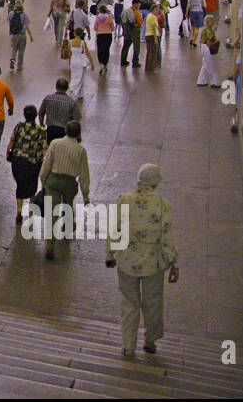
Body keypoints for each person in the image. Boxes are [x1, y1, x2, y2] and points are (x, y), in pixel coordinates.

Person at [107, 164, 178, 357]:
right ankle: (150, 341)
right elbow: (166, 237)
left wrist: (110, 255)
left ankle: (128, 346)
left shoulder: (123, 200)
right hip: (152, 264)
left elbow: (114, 231)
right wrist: (173, 263)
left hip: (126, 261)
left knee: (129, 303)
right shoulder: (162, 204)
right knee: (153, 302)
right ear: (155, 183)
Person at [37, 119, 90, 261]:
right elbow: (84, 174)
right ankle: (69, 226)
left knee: (51, 214)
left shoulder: (55, 143)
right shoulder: (81, 150)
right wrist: (86, 195)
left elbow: (46, 164)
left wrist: (43, 181)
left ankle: (50, 246)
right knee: (67, 206)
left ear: (65, 130)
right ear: (78, 133)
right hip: (70, 183)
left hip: (53, 180)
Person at [6, 104, 47, 222]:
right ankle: (31, 208)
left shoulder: (19, 126)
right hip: (34, 162)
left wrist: (9, 152)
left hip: (18, 161)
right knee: (32, 184)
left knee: (20, 185)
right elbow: (44, 149)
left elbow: (12, 141)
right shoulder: (41, 131)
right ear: (35, 116)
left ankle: (19, 211)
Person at [39, 77, 82, 143]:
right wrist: (78, 135)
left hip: (50, 130)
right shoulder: (71, 102)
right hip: (65, 132)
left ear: (56, 86)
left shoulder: (48, 99)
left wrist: (41, 125)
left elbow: (41, 114)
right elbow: (77, 120)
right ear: (67, 88)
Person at [66, 26, 95, 100]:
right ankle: (74, 90)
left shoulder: (70, 42)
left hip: (73, 60)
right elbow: (88, 53)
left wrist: (69, 60)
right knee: (81, 77)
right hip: (80, 61)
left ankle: (79, 93)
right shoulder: (82, 43)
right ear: (82, 34)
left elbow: (69, 52)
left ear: (75, 33)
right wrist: (92, 63)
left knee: (74, 76)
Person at [8, 0, 32, 70]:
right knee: (21, 50)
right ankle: (19, 66)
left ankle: (12, 59)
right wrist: (30, 36)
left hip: (13, 34)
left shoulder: (11, 13)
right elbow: (27, 26)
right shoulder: (24, 15)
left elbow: (9, 24)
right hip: (22, 34)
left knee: (13, 48)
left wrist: (12, 31)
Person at [196, 21, 222, 87]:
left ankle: (201, 80)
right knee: (211, 65)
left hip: (204, 47)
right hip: (208, 48)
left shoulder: (207, 30)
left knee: (205, 64)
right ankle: (215, 82)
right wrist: (216, 42)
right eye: (212, 22)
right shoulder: (208, 31)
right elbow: (209, 42)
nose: (213, 23)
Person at [120, 0, 143, 68]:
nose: (139, 6)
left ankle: (123, 61)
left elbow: (122, 20)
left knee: (126, 46)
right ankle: (135, 62)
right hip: (135, 30)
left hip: (126, 30)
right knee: (136, 47)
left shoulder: (126, 11)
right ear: (136, 4)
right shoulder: (136, 12)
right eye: (139, 4)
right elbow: (140, 22)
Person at [93, 3, 115, 73]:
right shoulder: (109, 17)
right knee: (106, 49)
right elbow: (112, 27)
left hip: (100, 35)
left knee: (100, 49)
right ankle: (105, 64)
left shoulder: (97, 18)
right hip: (108, 35)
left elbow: (95, 28)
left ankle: (101, 63)